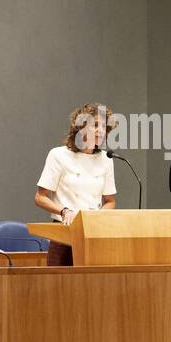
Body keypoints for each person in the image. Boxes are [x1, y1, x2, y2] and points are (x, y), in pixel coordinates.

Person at [33, 103, 119, 266]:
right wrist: (64, 211)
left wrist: (96, 216)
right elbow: (40, 198)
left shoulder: (106, 159)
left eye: (103, 127)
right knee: (59, 286)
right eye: (95, 125)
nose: (100, 131)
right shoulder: (58, 155)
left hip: (92, 232)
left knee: (90, 285)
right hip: (63, 233)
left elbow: (110, 201)